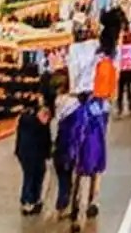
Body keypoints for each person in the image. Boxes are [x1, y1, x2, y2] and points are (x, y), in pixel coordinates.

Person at [67, 95, 109, 233]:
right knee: (94, 179)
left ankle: (78, 217)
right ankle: (93, 203)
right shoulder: (100, 107)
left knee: (80, 186)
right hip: (98, 151)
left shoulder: (81, 111)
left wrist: (72, 152)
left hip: (85, 155)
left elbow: (77, 133)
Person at [15, 105, 52, 215]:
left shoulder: (41, 125)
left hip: (36, 155)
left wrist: (47, 154)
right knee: (30, 176)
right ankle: (27, 200)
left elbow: (47, 140)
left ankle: (35, 199)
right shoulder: (30, 123)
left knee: (38, 176)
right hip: (28, 154)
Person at [53, 87, 81, 220]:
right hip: (68, 153)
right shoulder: (74, 119)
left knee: (63, 181)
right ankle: (65, 206)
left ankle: (62, 206)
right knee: (67, 181)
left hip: (58, 151)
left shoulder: (59, 117)